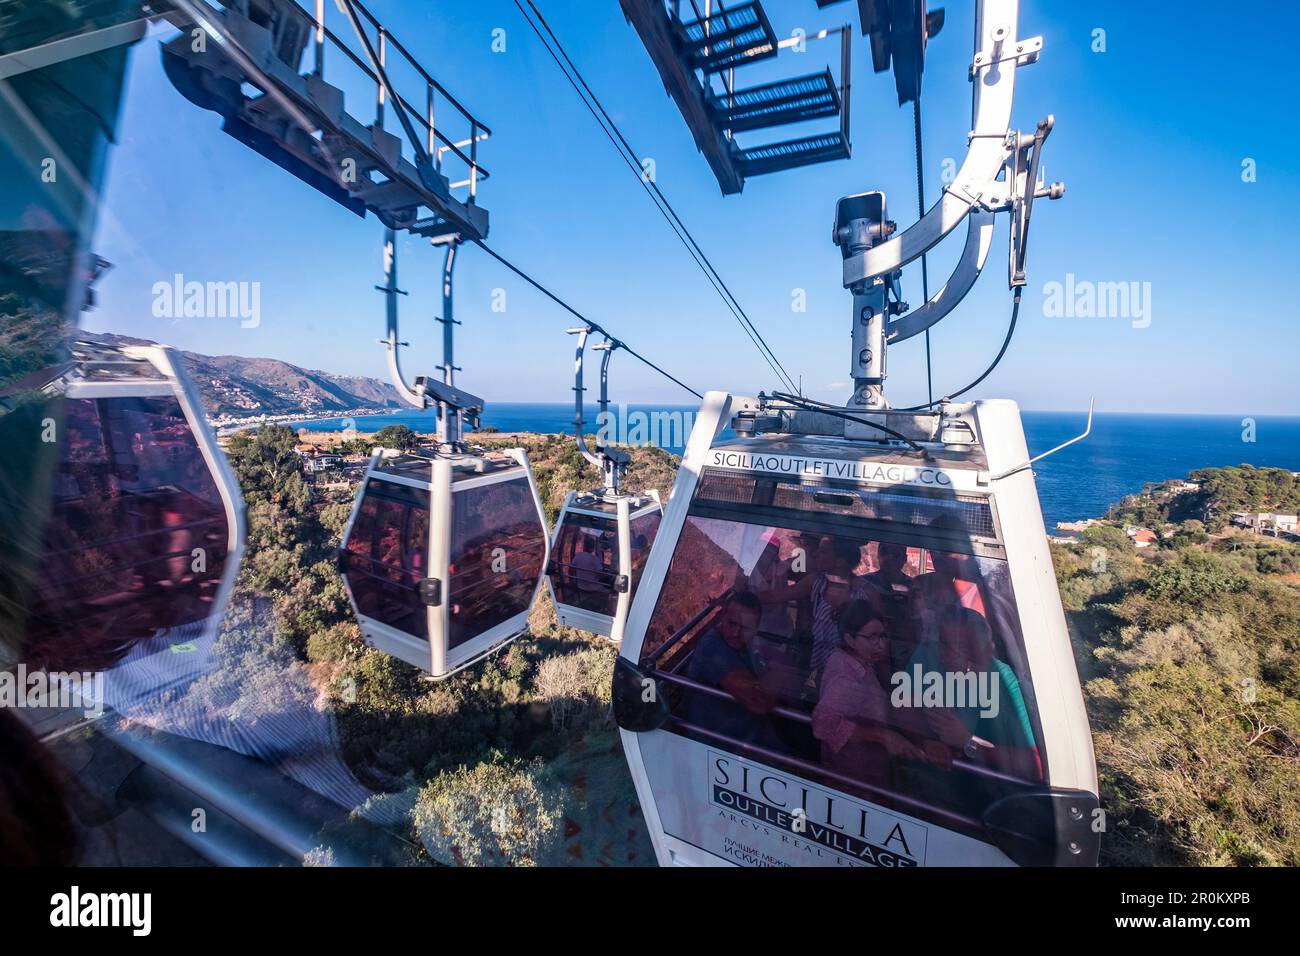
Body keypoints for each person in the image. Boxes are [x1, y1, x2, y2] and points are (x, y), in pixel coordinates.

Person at [907, 606, 1041, 779]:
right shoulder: (927, 655)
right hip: (927, 772)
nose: (947, 655)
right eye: (945, 644)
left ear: (986, 651)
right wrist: (923, 741)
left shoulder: (1006, 681)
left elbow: (1033, 764)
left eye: (962, 648)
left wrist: (967, 742)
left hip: (984, 782)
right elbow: (903, 707)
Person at [813, 601, 925, 786]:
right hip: (852, 779)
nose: (880, 645)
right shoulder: (846, 678)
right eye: (872, 637)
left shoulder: (857, 663)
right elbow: (823, 724)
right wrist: (881, 736)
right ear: (850, 639)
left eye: (882, 636)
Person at [686, 591, 782, 747]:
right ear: (723, 616)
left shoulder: (742, 645)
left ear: (757, 629)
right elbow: (760, 701)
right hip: (721, 745)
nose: (736, 633)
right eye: (731, 623)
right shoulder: (713, 650)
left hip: (748, 733)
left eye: (745, 628)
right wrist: (780, 676)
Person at [569, 535, 608, 609]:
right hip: (593, 587)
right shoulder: (595, 559)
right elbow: (601, 575)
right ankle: (603, 608)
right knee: (609, 590)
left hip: (580, 585)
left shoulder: (577, 556)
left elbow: (571, 569)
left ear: (584, 547)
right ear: (592, 548)